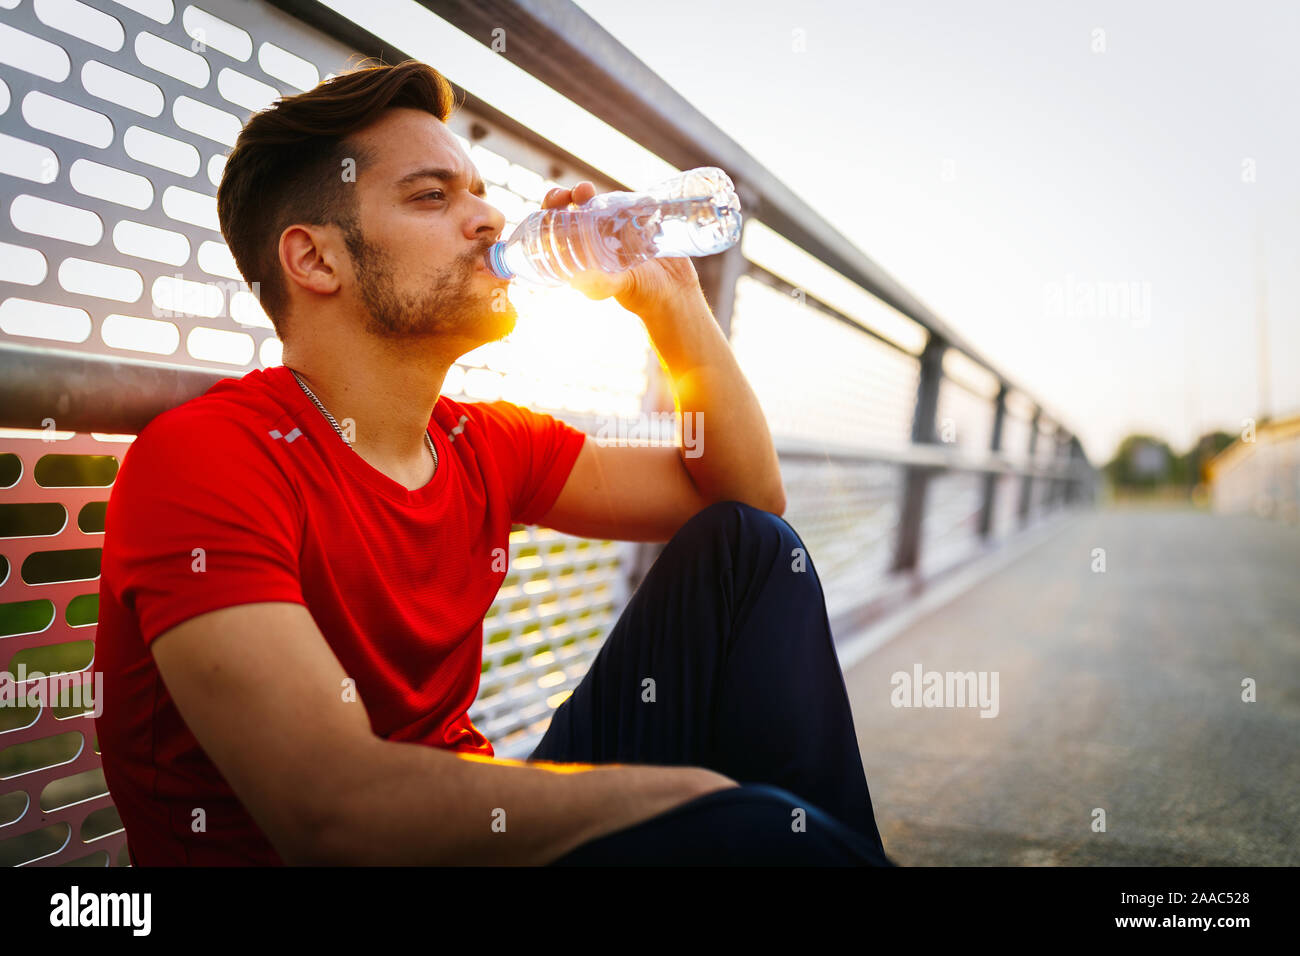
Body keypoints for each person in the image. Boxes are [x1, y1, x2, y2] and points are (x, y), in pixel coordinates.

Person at [94, 59, 893, 866]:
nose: (487, 220)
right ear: (315, 260)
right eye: (433, 196)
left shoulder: (481, 443)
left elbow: (747, 494)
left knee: (748, 552)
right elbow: (334, 815)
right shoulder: (209, 459)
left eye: (479, 191)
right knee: (744, 830)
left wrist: (672, 301)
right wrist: (691, 801)